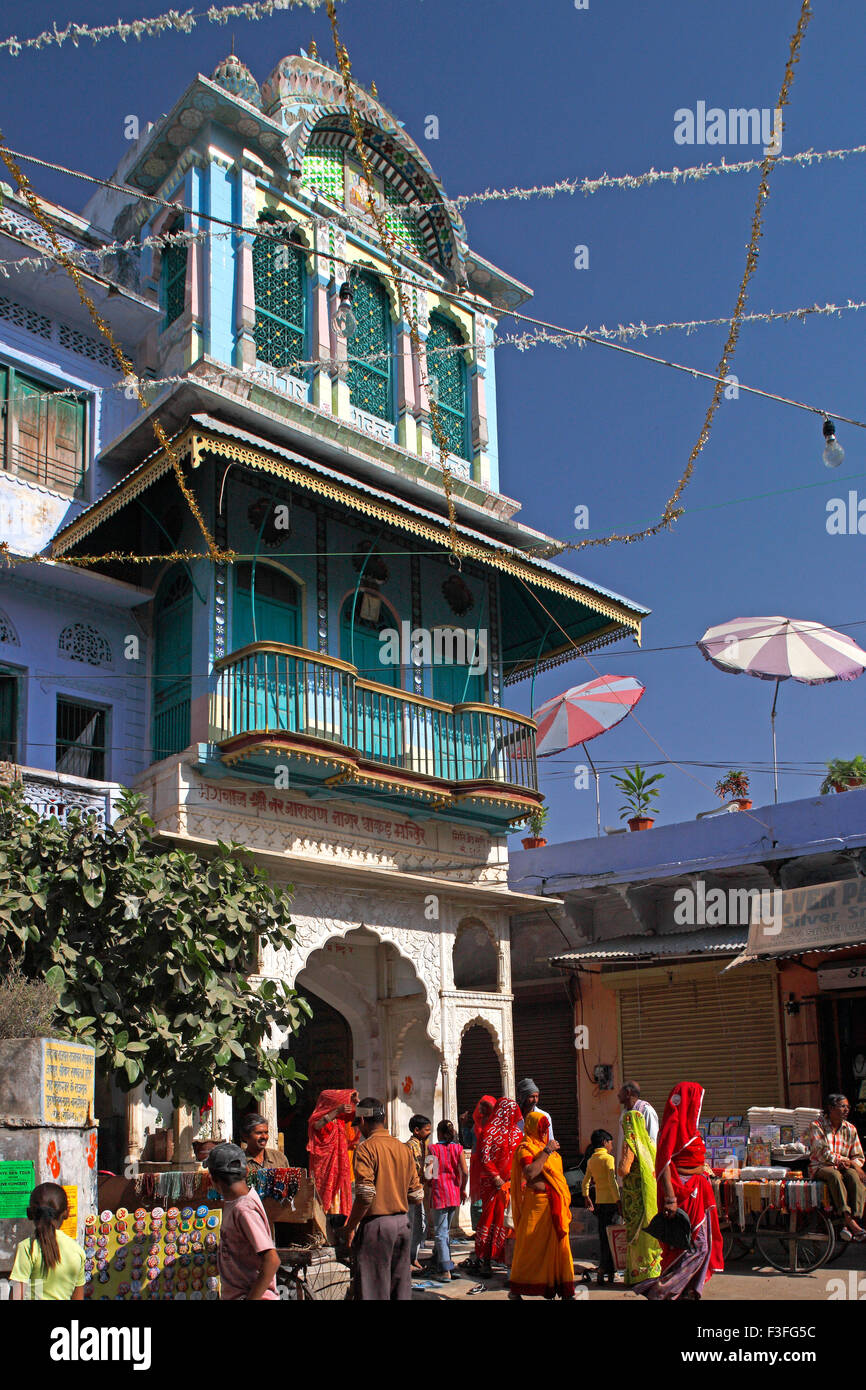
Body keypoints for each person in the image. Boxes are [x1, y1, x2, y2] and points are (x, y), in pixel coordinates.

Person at [634, 1080, 723, 1301]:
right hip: (683, 1191)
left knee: (700, 1245)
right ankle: (661, 1290)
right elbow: (664, 1162)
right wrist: (670, 1198)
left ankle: (688, 1292)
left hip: (697, 1190)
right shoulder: (673, 1125)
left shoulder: (689, 1128)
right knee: (696, 1246)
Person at [342, 1098, 424, 1300]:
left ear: (362, 1120)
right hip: (403, 1224)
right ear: (384, 1118)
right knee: (400, 1289)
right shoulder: (403, 1148)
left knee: (374, 1290)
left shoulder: (365, 1149)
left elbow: (365, 1195)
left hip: (377, 1227)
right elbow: (417, 1195)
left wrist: (350, 1226)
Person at [509, 1111, 575, 1300]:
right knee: (529, 1246)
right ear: (532, 1128)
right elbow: (530, 1173)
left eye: (546, 1129)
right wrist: (546, 1151)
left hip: (555, 1202)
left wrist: (547, 1151)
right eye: (541, 1129)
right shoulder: (525, 1148)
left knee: (559, 1246)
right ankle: (516, 1290)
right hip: (536, 1203)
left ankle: (563, 1289)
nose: (545, 1132)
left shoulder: (547, 1150)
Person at [206, 1143, 281, 1300]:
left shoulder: (243, 1209)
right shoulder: (235, 1204)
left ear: (213, 1180)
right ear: (247, 1171)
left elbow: (272, 1260)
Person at [10, 1183, 86, 1301]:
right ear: (66, 1213)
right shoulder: (78, 1251)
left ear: (30, 1214)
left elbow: (16, 1297)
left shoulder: (27, 1248)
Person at [473, 1097, 523, 1275]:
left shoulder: (518, 1133)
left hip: (512, 1185)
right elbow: (484, 1158)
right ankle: (486, 1261)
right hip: (492, 1185)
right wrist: (496, 1179)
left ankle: (506, 1260)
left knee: (508, 1222)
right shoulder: (489, 1131)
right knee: (490, 1219)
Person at [809, 1093, 866, 1240]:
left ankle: (853, 1219)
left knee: (854, 1176)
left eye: (848, 1107)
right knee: (834, 1175)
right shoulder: (817, 1126)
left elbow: (858, 1156)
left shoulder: (851, 1129)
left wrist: (852, 1164)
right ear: (831, 1108)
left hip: (844, 1166)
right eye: (842, 1106)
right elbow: (822, 1153)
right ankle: (848, 1220)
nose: (846, 1110)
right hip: (821, 1166)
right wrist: (846, 1161)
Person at [618, 1107, 662, 1286]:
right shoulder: (650, 1143)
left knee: (636, 1236)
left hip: (635, 1198)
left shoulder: (631, 1143)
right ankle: (653, 1269)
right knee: (650, 1234)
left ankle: (637, 1273)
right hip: (650, 1198)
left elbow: (624, 1170)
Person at [426, 1120, 468, 1281]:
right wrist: (463, 1188)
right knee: (445, 1231)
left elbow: (430, 1174)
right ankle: (442, 1261)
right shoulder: (458, 1148)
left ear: (439, 1133)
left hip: (439, 1192)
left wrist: (428, 1182)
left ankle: (445, 1270)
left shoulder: (433, 1148)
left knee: (440, 1233)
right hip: (454, 1192)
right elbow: (465, 1171)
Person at [306, 1089, 359, 1216]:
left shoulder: (341, 1120)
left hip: (341, 1168)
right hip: (324, 1170)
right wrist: (336, 1111)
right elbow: (317, 1126)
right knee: (324, 1202)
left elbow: (359, 1115)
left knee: (340, 1200)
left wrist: (357, 1101)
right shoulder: (320, 1118)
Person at [581, 1129, 620, 1285]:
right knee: (614, 1238)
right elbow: (612, 1182)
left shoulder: (591, 1160)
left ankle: (604, 1269)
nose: (611, 1146)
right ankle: (609, 1270)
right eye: (610, 1142)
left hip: (599, 1204)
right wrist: (619, 1201)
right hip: (611, 1203)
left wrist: (587, 1197)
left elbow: (585, 1182)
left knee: (604, 1237)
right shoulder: (608, 1159)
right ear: (604, 1142)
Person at [405, 1113, 432, 1270]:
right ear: (416, 1130)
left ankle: (412, 1257)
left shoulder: (425, 1146)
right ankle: (407, 1259)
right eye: (426, 1130)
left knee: (420, 1226)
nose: (428, 1132)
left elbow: (429, 1172)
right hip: (410, 1191)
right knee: (411, 1225)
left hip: (420, 1190)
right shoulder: (408, 1147)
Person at [468, 1095, 495, 1233]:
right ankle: (479, 1230)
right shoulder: (475, 1125)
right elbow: (468, 1142)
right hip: (477, 1167)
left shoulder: (496, 1126)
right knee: (477, 1200)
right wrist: (462, 1125)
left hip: (492, 1167)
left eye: (486, 1107)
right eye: (481, 1106)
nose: (482, 1110)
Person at [615, 1080, 659, 1160]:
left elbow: (653, 1139)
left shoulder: (646, 1111)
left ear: (628, 1093)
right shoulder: (624, 1113)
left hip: (643, 1163)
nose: (618, 1095)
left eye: (620, 1092)